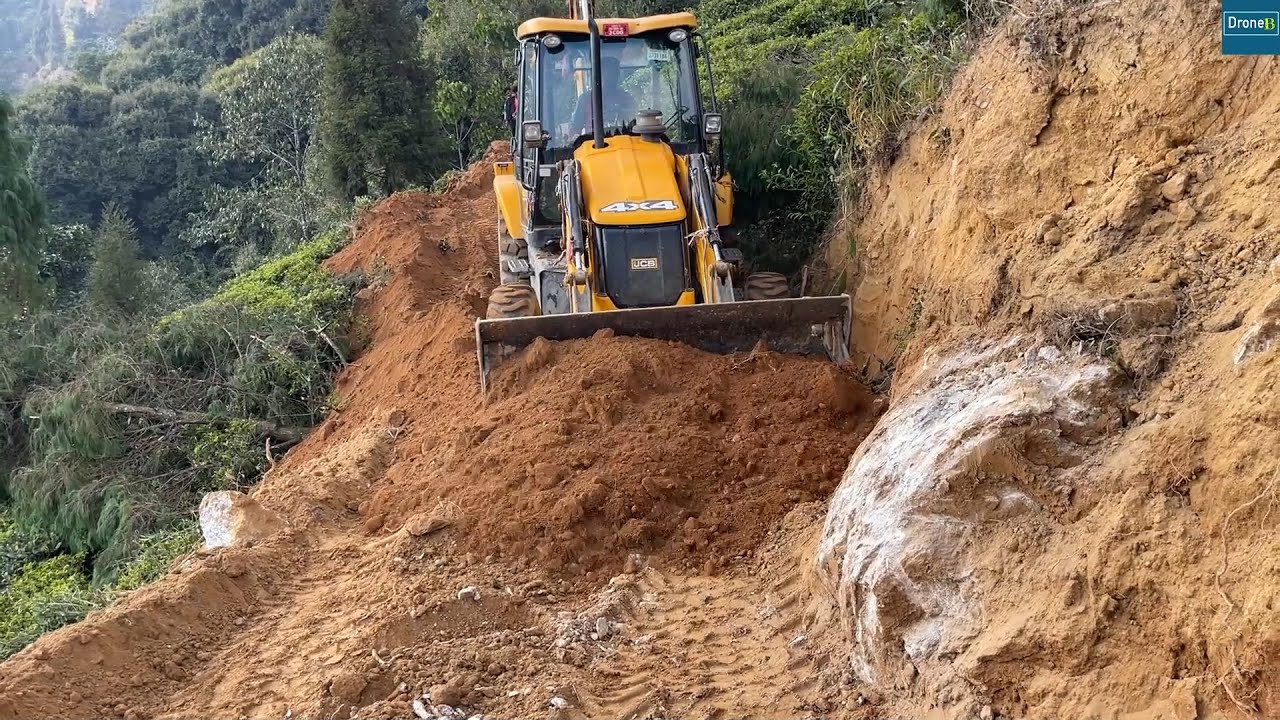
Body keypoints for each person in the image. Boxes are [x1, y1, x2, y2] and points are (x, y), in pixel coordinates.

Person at [570, 55, 639, 134]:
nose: (610, 78)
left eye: (614, 74)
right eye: (607, 74)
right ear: (598, 75)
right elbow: (575, 130)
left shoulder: (627, 99)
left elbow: (637, 123)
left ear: (618, 75)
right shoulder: (585, 99)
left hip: (623, 140)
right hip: (593, 141)